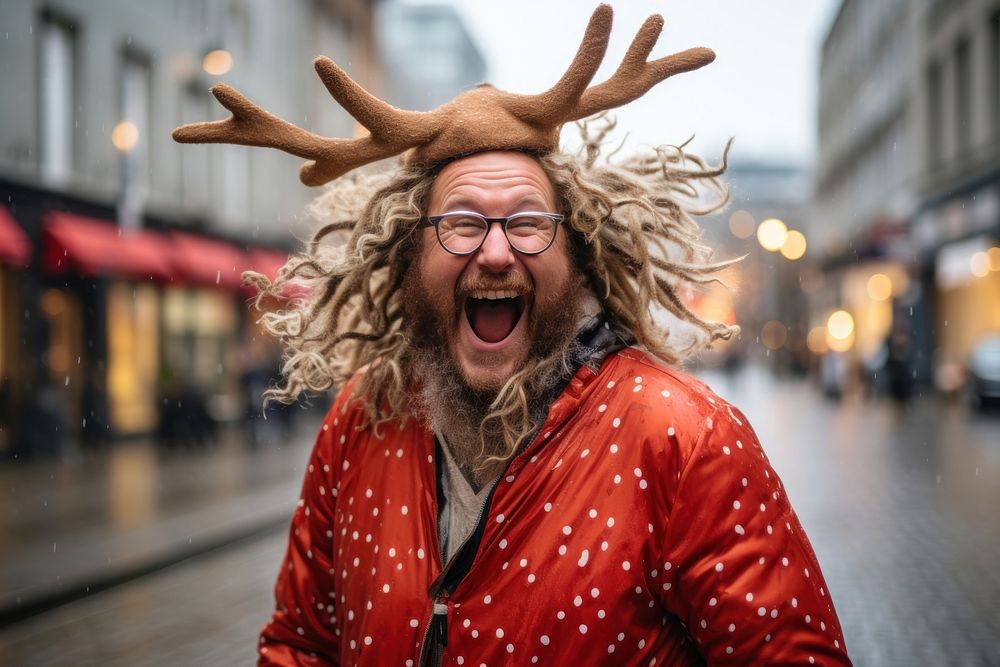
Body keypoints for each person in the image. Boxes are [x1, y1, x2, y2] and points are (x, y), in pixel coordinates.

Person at [175, 6, 850, 665]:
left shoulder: (685, 439)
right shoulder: (360, 421)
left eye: (528, 222)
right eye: (461, 223)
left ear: (577, 254)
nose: (496, 253)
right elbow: (301, 643)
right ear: (411, 256)